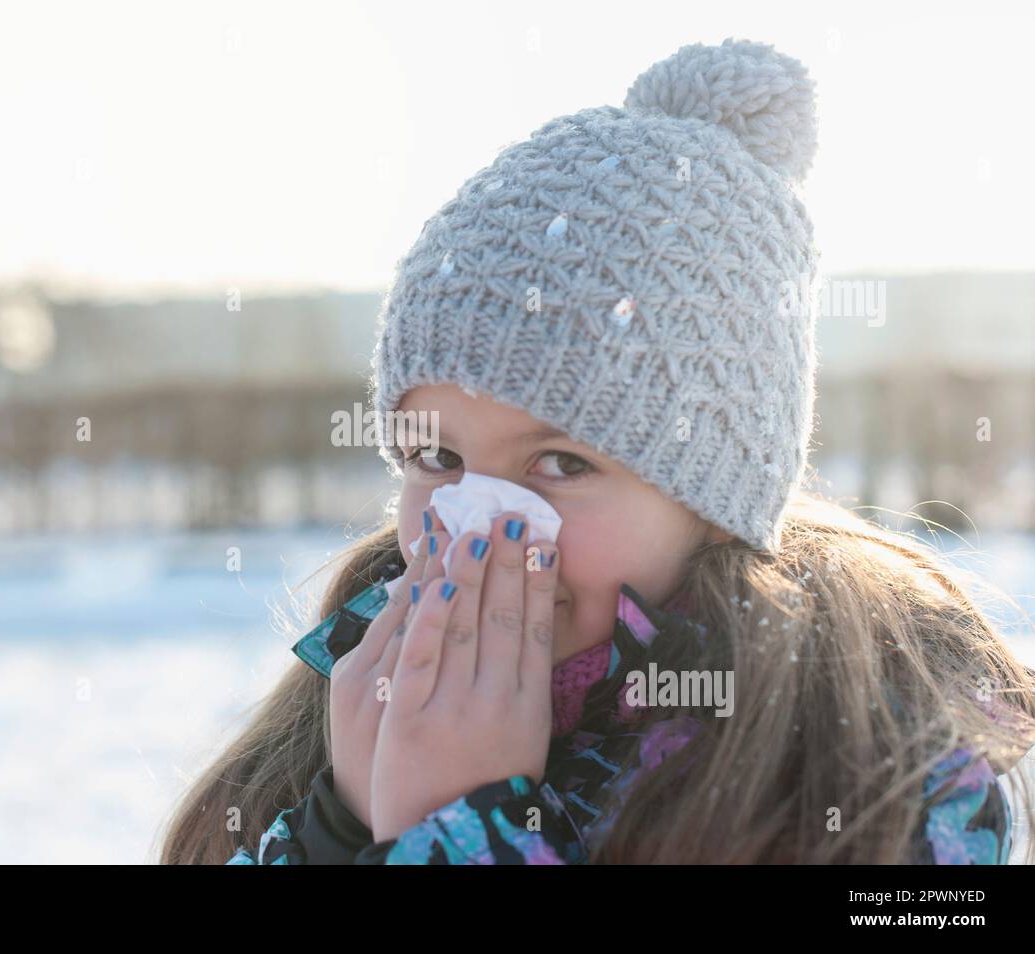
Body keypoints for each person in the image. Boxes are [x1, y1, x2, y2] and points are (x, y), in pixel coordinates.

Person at [158, 37, 1035, 865]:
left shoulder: (876, 776)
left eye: (562, 463)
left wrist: (460, 835)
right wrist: (338, 826)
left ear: (716, 503)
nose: (474, 522)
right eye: (435, 457)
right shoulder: (334, 716)